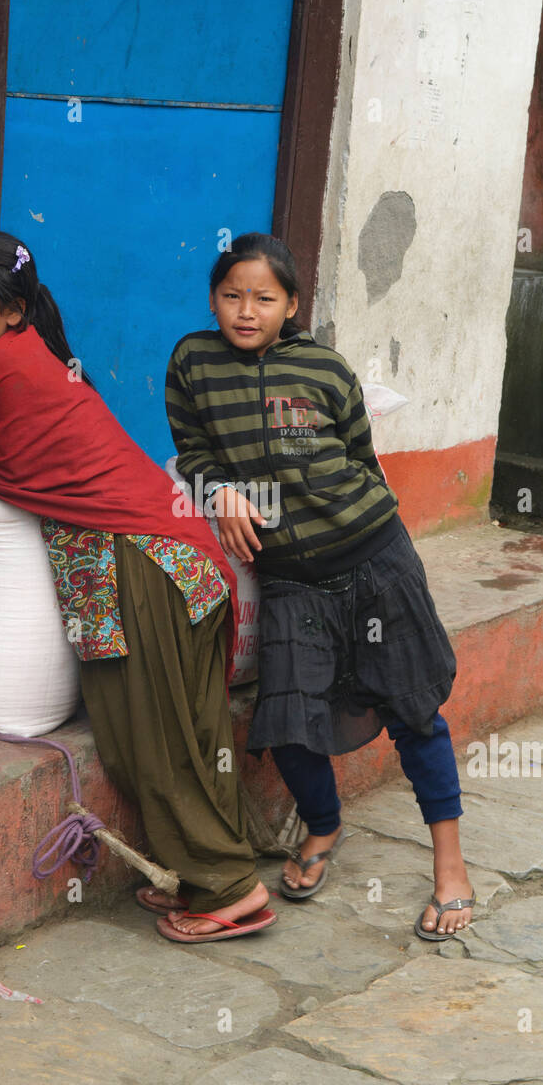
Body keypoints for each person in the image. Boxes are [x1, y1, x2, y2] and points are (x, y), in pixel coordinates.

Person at [0, 228, 276, 945]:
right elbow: (0, 459)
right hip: (159, 558)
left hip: (141, 567)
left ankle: (229, 890)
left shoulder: (6, 369)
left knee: (151, 738)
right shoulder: (22, 358)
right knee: (186, 730)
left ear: (12, 311)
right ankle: (212, 874)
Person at [165, 232, 475, 939]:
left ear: (293, 305)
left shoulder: (325, 369)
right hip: (290, 579)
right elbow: (193, 449)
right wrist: (220, 492)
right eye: (231, 295)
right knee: (287, 719)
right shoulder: (192, 363)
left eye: (264, 298)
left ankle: (450, 867)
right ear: (213, 299)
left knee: (414, 709)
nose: (246, 310)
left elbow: (362, 459)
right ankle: (324, 826)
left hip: (373, 557)